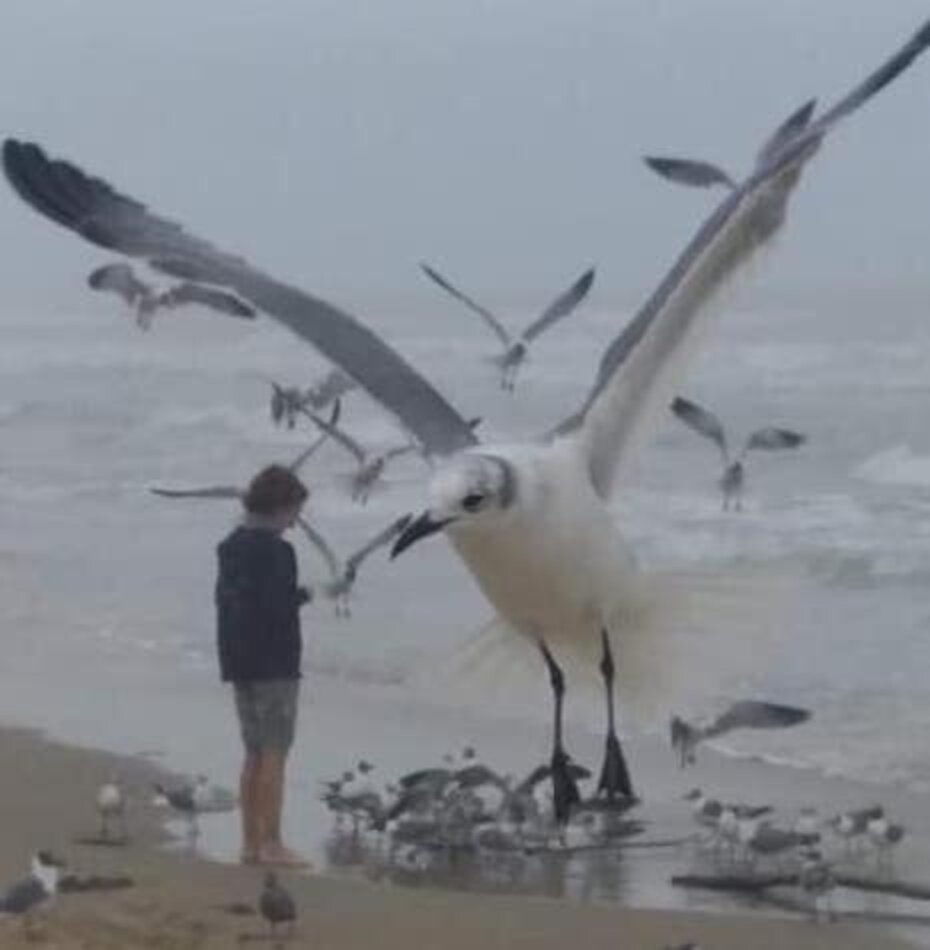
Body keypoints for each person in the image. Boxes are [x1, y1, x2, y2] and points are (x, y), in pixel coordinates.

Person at [215, 464, 310, 866]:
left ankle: (250, 843)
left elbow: (231, 602)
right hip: (274, 663)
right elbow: (276, 607)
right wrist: (306, 594)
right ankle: (272, 842)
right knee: (274, 752)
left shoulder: (232, 545)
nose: (295, 522)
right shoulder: (278, 551)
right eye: (293, 512)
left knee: (253, 752)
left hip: (239, 659)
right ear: (279, 507)